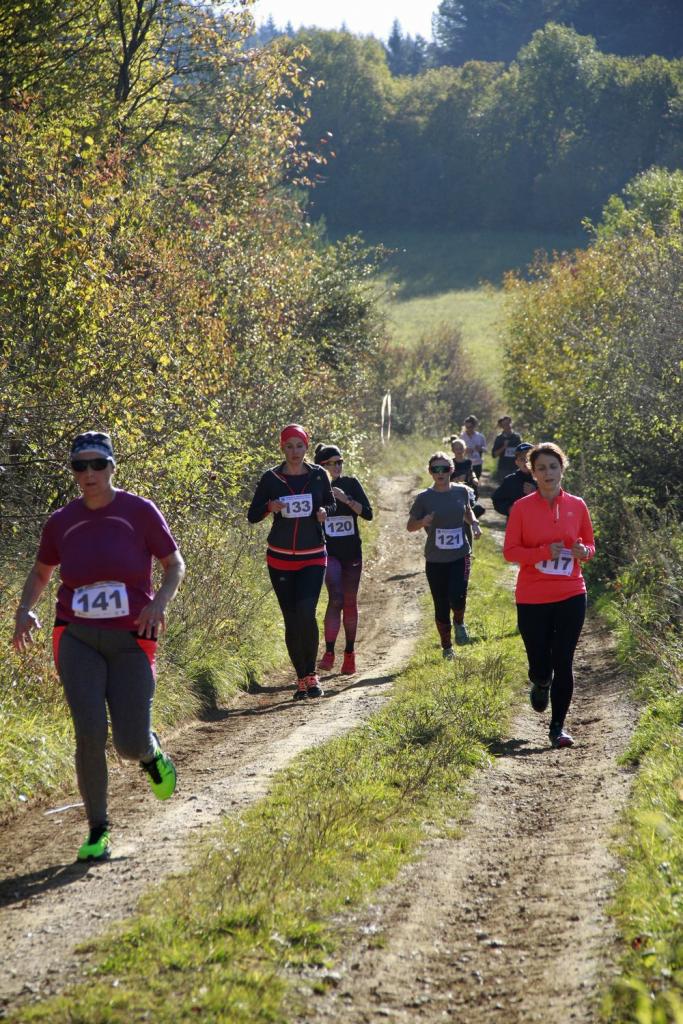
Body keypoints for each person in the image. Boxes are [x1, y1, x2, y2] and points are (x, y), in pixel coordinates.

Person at [12, 431, 185, 863]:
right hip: (76, 636)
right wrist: (24, 610)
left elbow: (174, 564)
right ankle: (98, 830)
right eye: (79, 466)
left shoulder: (138, 512)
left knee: (127, 743)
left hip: (132, 638)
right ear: (73, 471)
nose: (88, 474)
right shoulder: (61, 521)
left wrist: (159, 603)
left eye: (96, 464)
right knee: (88, 732)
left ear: (111, 467)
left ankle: (149, 751)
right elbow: (40, 573)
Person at [503, 442, 595, 749]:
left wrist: (585, 551)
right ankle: (540, 682)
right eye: (541, 468)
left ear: (562, 468)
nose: (548, 473)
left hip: (571, 591)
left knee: (564, 659)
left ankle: (558, 727)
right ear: (532, 471)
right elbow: (510, 552)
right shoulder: (521, 508)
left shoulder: (577, 505)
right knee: (540, 663)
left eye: (553, 467)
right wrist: (543, 552)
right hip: (532, 596)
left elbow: (590, 546)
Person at [247, 424, 335, 699]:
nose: (295, 452)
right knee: (292, 619)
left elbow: (330, 504)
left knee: (307, 613)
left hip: (313, 556)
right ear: (282, 448)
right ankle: (300, 678)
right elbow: (252, 515)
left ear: (306, 447)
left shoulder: (319, 476)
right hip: (280, 558)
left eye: (299, 446)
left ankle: (312, 676)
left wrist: (323, 512)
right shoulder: (271, 478)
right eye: (289, 446)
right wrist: (268, 507)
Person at [407, 451, 481, 658]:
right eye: (435, 469)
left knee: (458, 596)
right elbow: (410, 526)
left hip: (460, 554)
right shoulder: (424, 498)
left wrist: (474, 523)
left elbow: (467, 510)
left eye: (444, 469)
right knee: (440, 604)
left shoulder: (462, 491)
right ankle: (447, 647)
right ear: (430, 472)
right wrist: (423, 522)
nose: (440, 473)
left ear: (451, 470)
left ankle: (459, 621)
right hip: (435, 558)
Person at [314, 442, 373, 676]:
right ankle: (329, 652)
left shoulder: (350, 483)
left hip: (352, 552)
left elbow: (368, 514)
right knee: (335, 598)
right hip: (329, 551)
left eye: (340, 462)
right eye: (333, 463)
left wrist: (346, 499)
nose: (338, 466)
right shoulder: (315, 486)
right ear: (322, 466)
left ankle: (349, 653)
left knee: (349, 601)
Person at [492, 442, 537, 517]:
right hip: (515, 523)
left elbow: (551, 501)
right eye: (522, 459)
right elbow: (497, 500)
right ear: (517, 462)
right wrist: (509, 509)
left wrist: (535, 492)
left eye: (529, 459)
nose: (526, 462)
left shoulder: (542, 479)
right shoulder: (510, 480)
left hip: (537, 523)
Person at [492, 416, 522, 481]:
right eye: (505, 424)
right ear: (502, 426)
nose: (507, 426)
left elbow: (521, 452)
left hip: (515, 467)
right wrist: (504, 447)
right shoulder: (499, 438)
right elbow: (494, 454)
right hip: (503, 468)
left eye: (508, 423)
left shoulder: (517, 437)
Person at [460, 415, 487, 480]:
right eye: (466, 427)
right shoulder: (462, 436)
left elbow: (485, 449)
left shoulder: (480, 436)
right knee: (466, 483)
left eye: (470, 427)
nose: (468, 429)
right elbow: (457, 449)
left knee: (475, 483)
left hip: (477, 464)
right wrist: (464, 450)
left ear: (474, 426)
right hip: (465, 463)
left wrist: (480, 448)